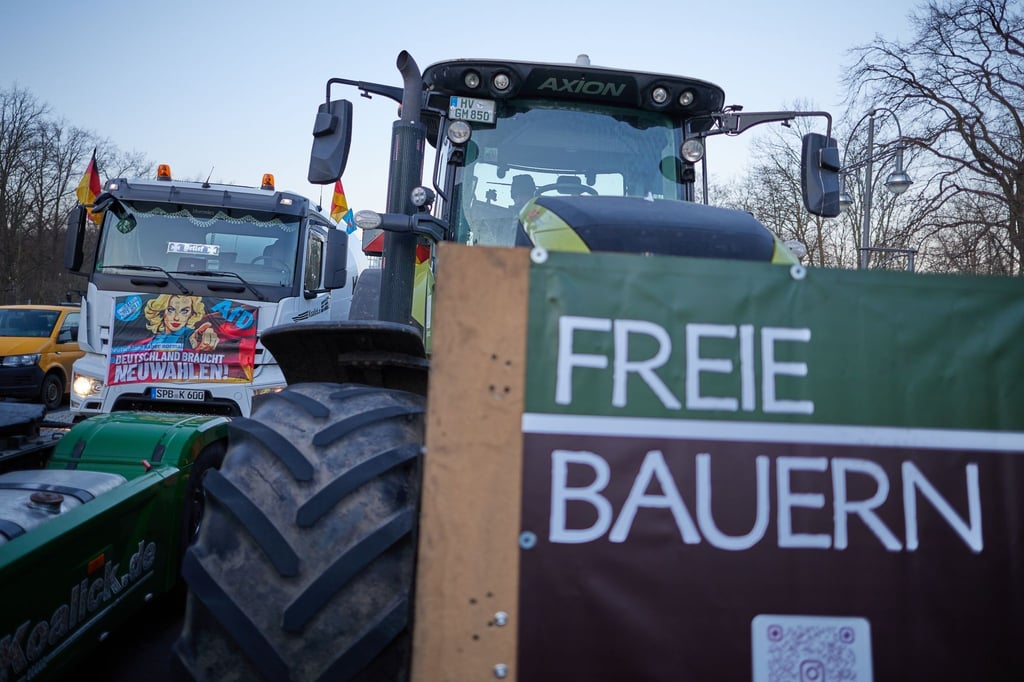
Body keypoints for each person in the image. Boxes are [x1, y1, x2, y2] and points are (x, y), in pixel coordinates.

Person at [140, 294, 219, 351]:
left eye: (184, 311)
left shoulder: (190, 336)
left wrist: (203, 339)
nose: (176, 318)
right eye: (171, 310)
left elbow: (194, 338)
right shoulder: (151, 335)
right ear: (162, 311)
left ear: (192, 314)